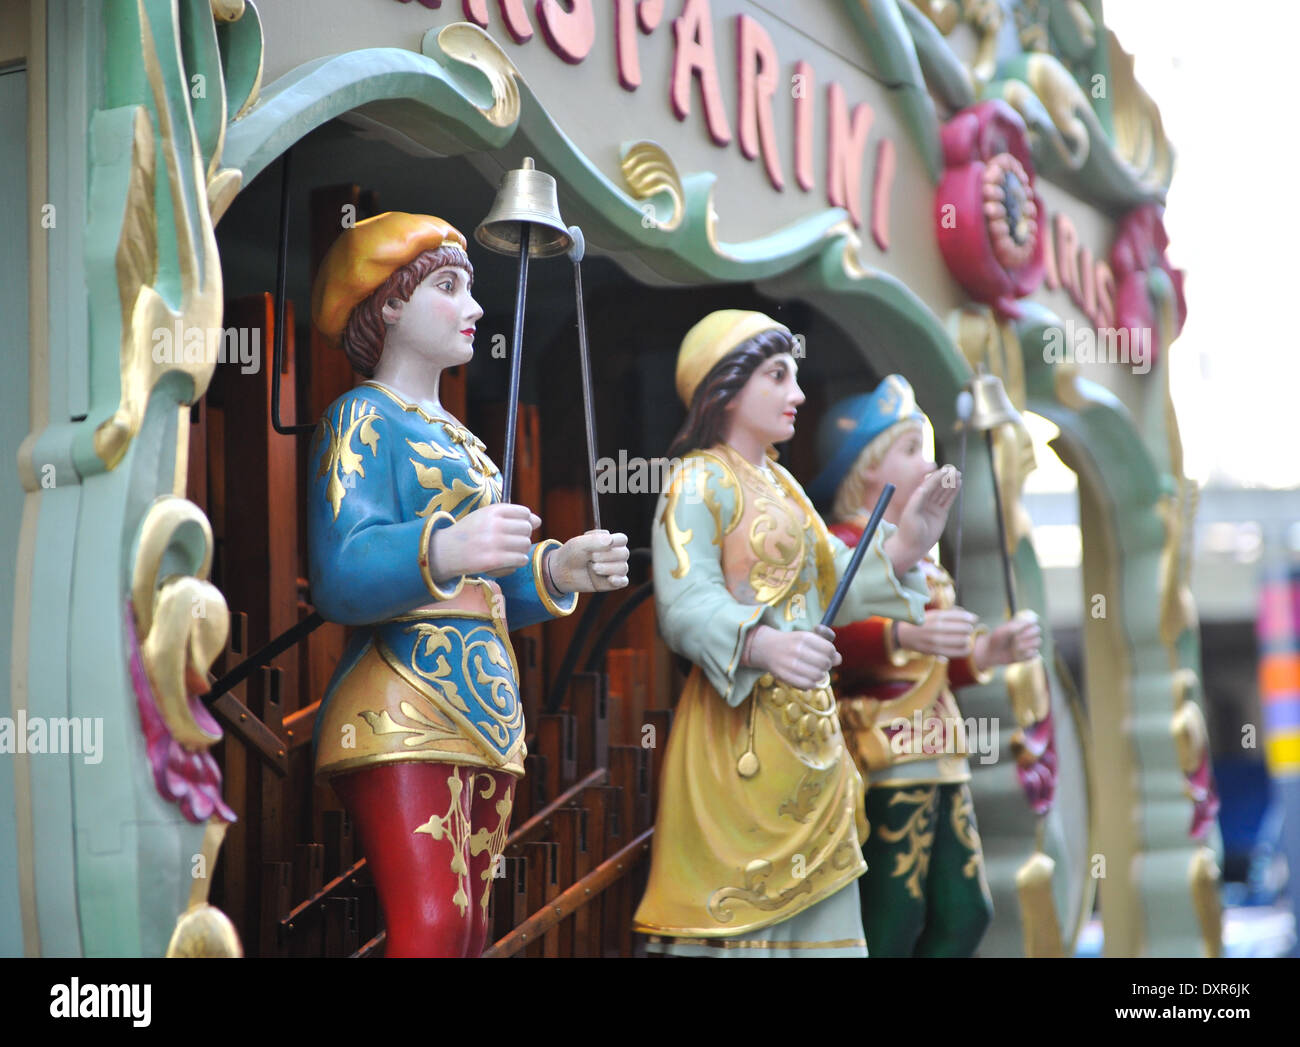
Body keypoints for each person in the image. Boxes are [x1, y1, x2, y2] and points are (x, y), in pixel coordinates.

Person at [307, 212, 629, 957]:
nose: (474, 309)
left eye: (470, 288)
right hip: (403, 698)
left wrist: (555, 568)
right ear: (389, 304)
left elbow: (489, 592)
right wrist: (447, 545)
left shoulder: (467, 444)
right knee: (430, 927)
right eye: (448, 287)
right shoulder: (363, 418)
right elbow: (340, 570)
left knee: (470, 931)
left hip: (485, 709)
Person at [631, 311, 959, 957]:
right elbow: (684, 600)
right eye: (777, 375)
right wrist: (763, 644)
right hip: (738, 740)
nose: (797, 394)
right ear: (725, 387)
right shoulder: (698, 479)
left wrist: (907, 544)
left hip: (811, 741)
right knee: (741, 921)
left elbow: (832, 580)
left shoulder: (781, 483)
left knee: (829, 931)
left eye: (796, 376)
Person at [807, 375, 1046, 957]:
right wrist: (906, 631)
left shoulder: (926, 562)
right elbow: (831, 627)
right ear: (866, 468)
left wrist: (987, 651)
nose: (929, 462)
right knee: (894, 910)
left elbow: (934, 665)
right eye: (910, 449)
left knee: (966, 910)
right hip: (884, 746)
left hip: (939, 745)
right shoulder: (839, 547)